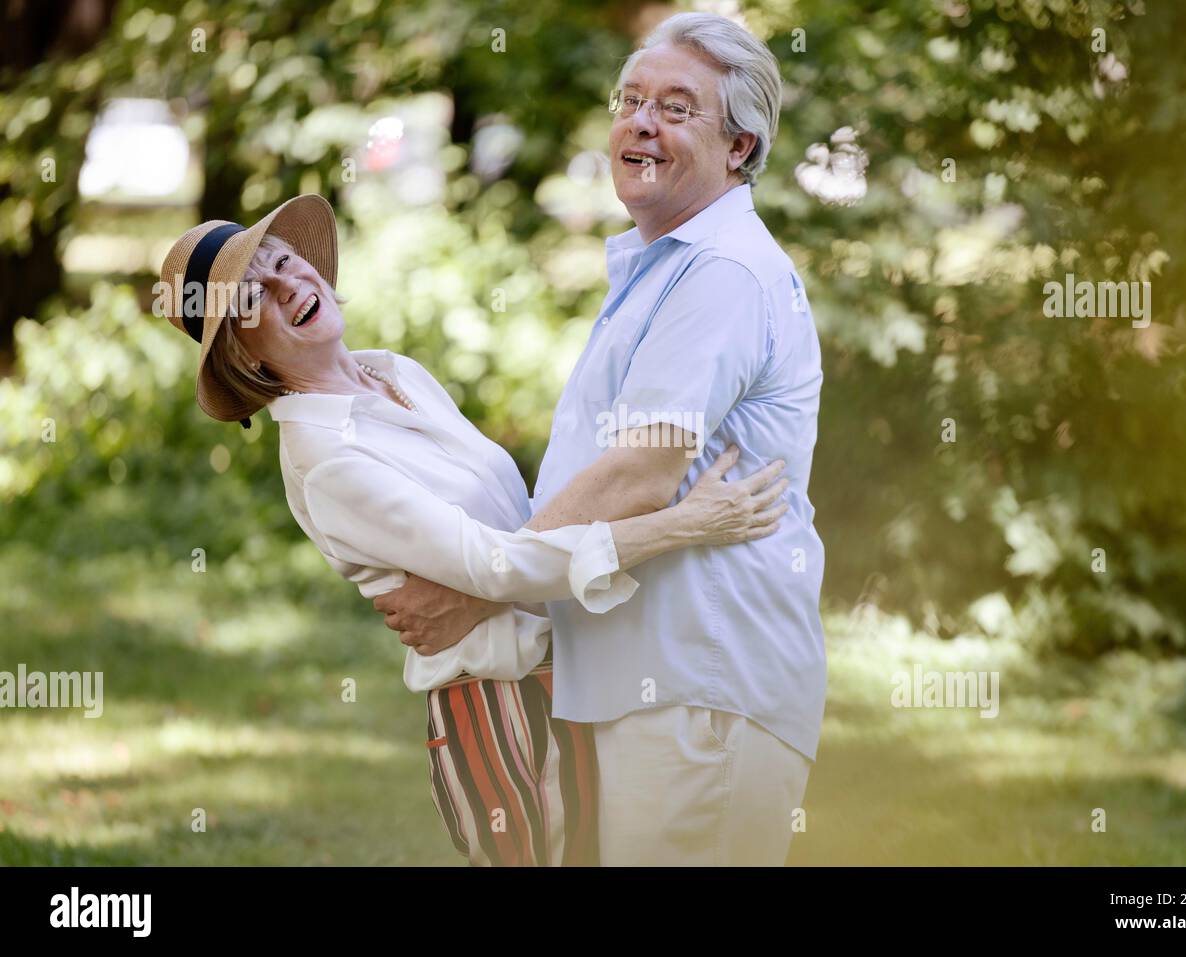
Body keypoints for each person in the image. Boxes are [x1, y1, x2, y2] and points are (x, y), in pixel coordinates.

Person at [156, 192, 789, 865]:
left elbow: (521, 524)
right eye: (254, 297)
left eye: (282, 262)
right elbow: (497, 564)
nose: (287, 285)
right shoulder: (326, 460)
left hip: (572, 669)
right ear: (244, 355)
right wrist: (681, 524)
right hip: (502, 709)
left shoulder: (394, 373)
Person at [376, 12, 826, 866]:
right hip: (651, 690)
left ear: (740, 147)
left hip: (702, 692)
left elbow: (637, 477)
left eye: (677, 107)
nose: (641, 123)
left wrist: (476, 591)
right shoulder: (668, 263)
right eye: (631, 100)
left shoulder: (721, 273)